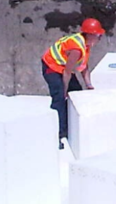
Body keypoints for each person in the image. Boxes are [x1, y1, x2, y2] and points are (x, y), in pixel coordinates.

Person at [41, 18, 105, 149]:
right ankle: (59, 134)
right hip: (52, 67)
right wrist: (64, 91)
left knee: (76, 92)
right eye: (99, 35)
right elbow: (67, 73)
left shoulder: (86, 45)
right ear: (91, 35)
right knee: (59, 98)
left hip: (63, 68)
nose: (100, 38)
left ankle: (71, 126)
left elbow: (84, 67)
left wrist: (89, 85)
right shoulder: (77, 49)